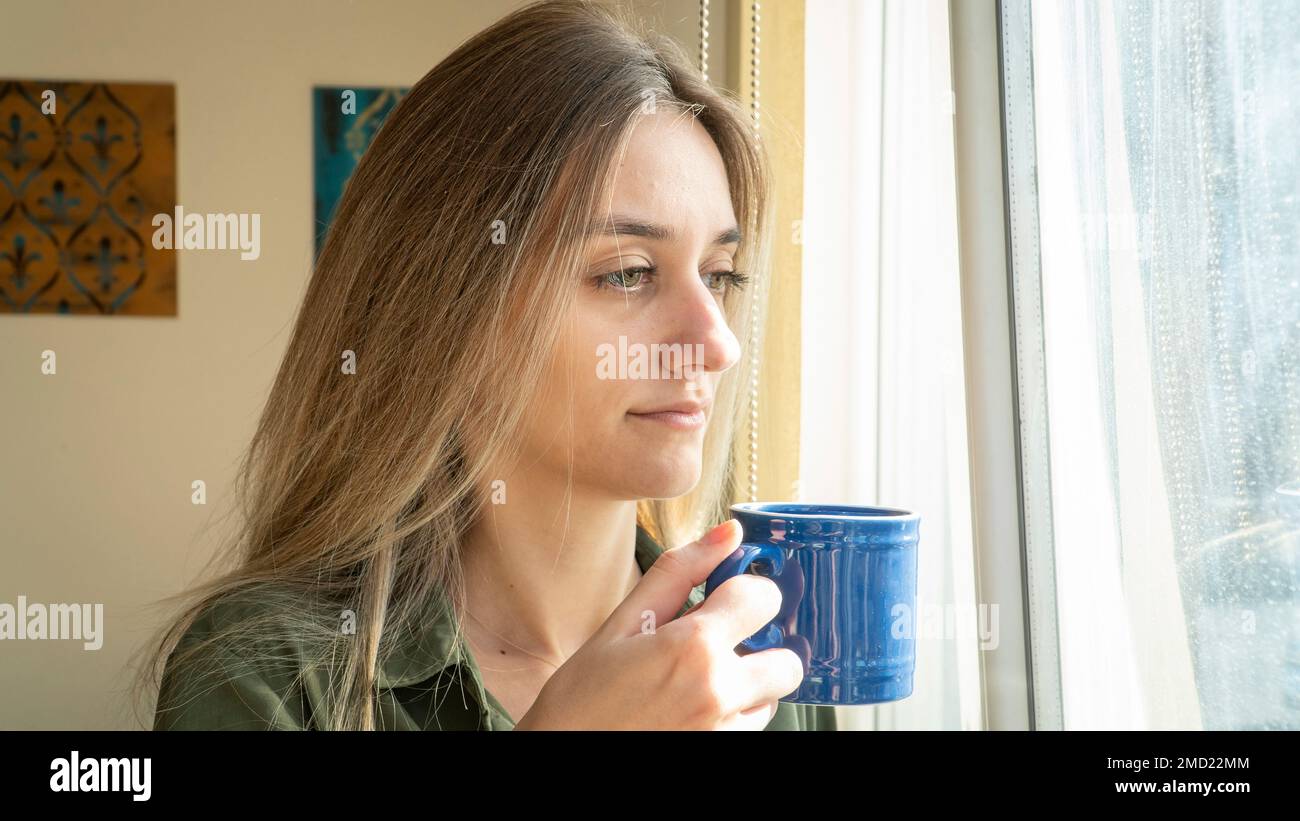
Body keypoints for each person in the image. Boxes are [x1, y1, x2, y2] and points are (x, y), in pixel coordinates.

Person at [140, 0, 836, 731]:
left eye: (719, 274)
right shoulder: (266, 675)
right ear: (450, 310)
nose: (716, 343)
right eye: (629, 272)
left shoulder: (766, 663)